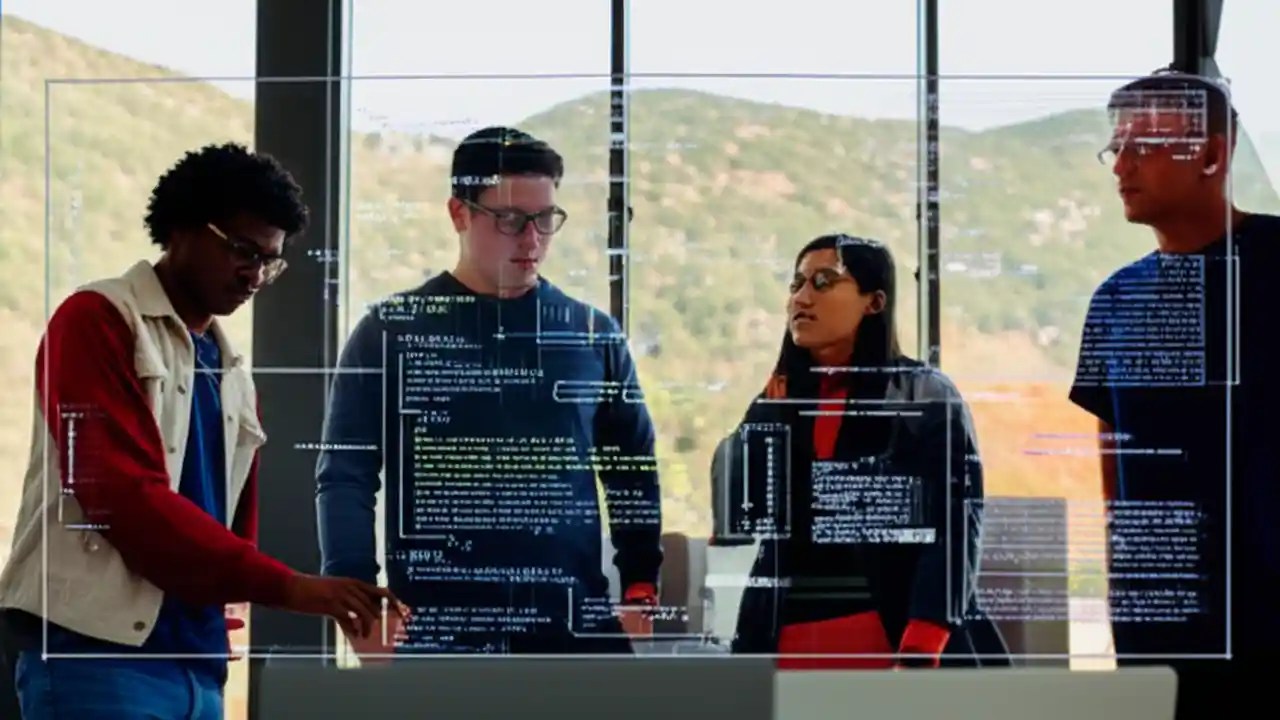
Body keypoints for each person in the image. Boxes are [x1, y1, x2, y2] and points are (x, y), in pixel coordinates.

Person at [0, 143, 404, 720]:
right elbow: (122, 497)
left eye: (271, 261)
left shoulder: (231, 370)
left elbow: (229, 525)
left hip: (196, 665)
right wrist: (293, 587)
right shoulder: (96, 319)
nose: (256, 275)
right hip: (92, 657)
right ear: (182, 228)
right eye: (243, 250)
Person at [316, 126, 663, 658]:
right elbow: (346, 476)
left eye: (545, 220)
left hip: (574, 631)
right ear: (460, 214)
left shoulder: (592, 334)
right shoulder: (390, 330)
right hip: (438, 634)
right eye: (509, 220)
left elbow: (631, 467)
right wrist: (359, 607)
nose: (532, 240)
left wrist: (640, 587)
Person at [1068, 70, 1278, 717]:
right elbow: (1114, 472)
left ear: (1212, 154)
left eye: (1144, 146)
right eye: (1116, 148)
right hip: (1163, 627)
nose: (1120, 166)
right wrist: (1121, 603)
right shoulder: (1115, 300)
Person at [718, 234, 1006, 668]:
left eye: (823, 281)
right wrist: (765, 421)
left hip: (897, 634)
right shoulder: (777, 400)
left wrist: (927, 632)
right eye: (795, 284)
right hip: (785, 638)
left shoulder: (923, 394)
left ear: (874, 302)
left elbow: (956, 521)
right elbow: (738, 518)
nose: (801, 297)